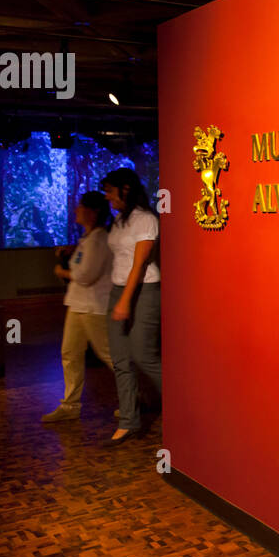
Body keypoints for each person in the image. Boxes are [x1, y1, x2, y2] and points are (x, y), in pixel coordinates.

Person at [100, 167, 161, 446]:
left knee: (142, 354)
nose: (107, 196)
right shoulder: (119, 221)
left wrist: (125, 301)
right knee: (121, 360)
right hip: (118, 290)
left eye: (110, 190)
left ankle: (186, 406)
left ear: (125, 189)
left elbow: (138, 265)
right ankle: (128, 421)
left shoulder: (146, 219)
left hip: (143, 291)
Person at [43, 191, 114, 423]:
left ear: (92, 212)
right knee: (70, 353)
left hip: (94, 307)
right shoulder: (88, 239)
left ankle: (135, 395)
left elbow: (86, 275)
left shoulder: (99, 239)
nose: (76, 210)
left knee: (109, 355)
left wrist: (61, 272)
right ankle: (70, 404)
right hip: (77, 305)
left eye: (80, 206)